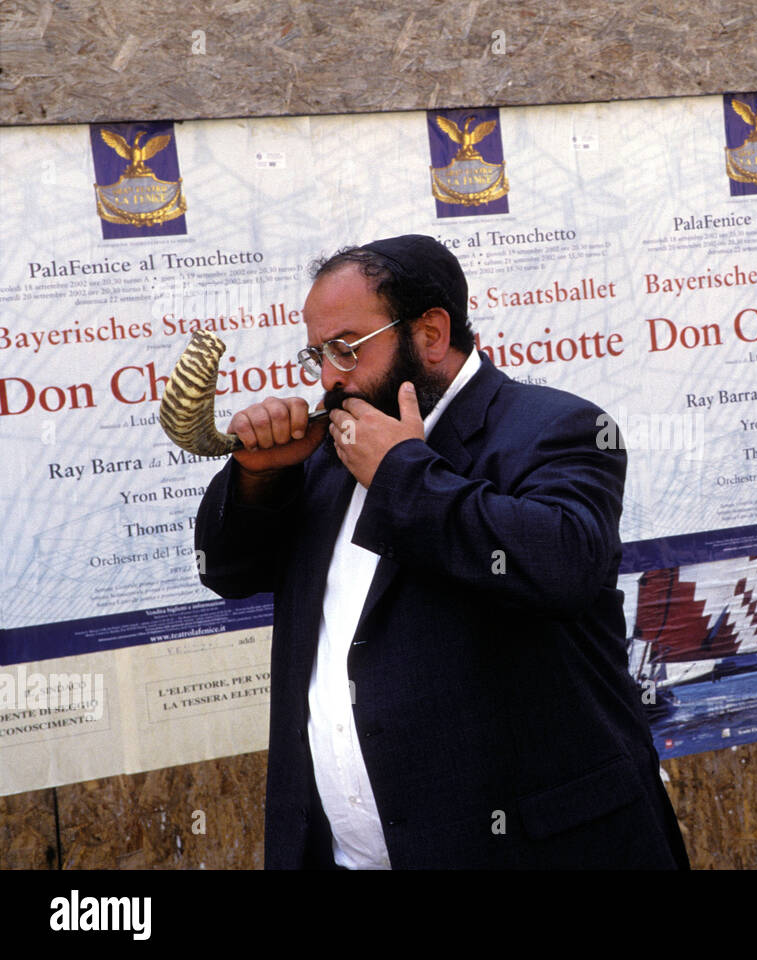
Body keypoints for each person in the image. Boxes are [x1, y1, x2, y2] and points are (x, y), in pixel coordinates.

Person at [193, 234, 690, 869]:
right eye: (316, 354)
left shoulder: (554, 428)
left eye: (346, 348)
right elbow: (228, 573)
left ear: (430, 333)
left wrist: (400, 472)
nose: (328, 377)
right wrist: (260, 478)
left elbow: (564, 564)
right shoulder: (331, 446)